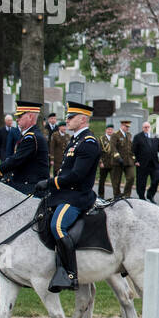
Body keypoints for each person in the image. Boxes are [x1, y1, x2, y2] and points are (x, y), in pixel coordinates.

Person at [31, 101, 101, 292]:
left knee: (57, 225)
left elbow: (77, 175)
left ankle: (69, 274)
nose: (67, 120)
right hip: (65, 194)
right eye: (68, 117)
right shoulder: (76, 140)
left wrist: (51, 182)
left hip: (78, 196)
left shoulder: (88, 142)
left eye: (71, 117)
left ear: (83, 119)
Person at [0, 100, 49, 192]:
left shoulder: (31, 137)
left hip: (30, 186)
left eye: (20, 116)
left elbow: (17, 159)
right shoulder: (28, 135)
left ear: (30, 116)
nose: (17, 119)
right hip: (23, 183)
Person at [132, 120, 159, 201]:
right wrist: (135, 161)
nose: (147, 128)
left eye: (148, 127)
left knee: (156, 179)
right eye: (145, 127)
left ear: (150, 128)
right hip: (142, 164)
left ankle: (150, 195)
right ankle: (141, 197)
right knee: (141, 182)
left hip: (154, 163)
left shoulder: (154, 137)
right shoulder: (138, 137)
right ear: (142, 128)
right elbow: (133, 150)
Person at [112, 119, 135, 199]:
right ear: (122, 126)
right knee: (116, 181)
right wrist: (117, 157)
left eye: (128, 127)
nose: (127, 128)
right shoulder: (115, 135)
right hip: (118, 161)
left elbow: (130, 147)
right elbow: (113, 147)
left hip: (128, 161)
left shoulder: (129, 135)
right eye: (126, 126)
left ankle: (126, 194)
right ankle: (117, 195)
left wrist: (133, 157)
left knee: (131, 177)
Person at [97, 123, 116, 198]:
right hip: (104, 163)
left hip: (113, 163)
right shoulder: (101, 139)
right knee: (102, 181)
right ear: (106, 130)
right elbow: (99, 151)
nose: (110, 131)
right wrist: (100, 162)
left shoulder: (115, 139)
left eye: (111, 129)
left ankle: (116, 196)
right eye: (108, 129)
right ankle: (101, 196)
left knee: (115, 181)